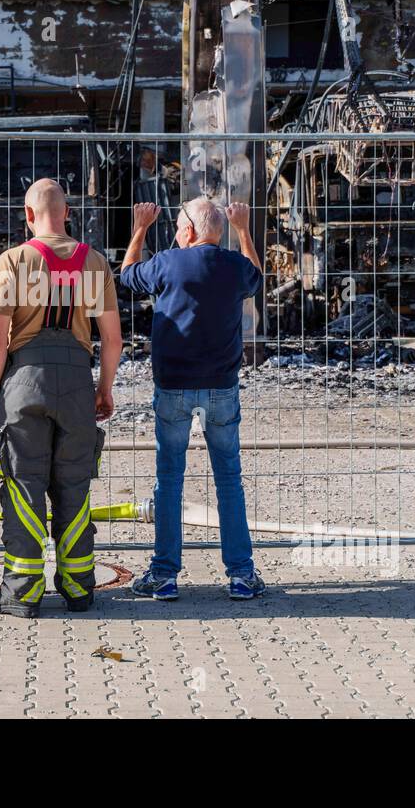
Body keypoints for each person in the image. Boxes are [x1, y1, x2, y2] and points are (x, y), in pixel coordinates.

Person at [0, 178, 122, 618]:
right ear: (67, 213)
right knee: (74, 488)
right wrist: (103, 389)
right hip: (78, 383)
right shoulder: (94, 262)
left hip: (24, 382)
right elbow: (113, 339)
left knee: (24, 487)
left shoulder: (14, 259)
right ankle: (80, 589)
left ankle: (21, 594)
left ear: (28, 215)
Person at [120, 197, 266, 601]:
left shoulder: (167, 262)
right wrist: (243, 230)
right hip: (222, 386)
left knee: (169, 480)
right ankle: (241, 574)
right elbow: (257, 277)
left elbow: (127, 275)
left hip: (173, 386)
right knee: (229, 480)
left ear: (187, 230)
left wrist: (141, 227)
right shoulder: (234, 266)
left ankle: (164, 574)